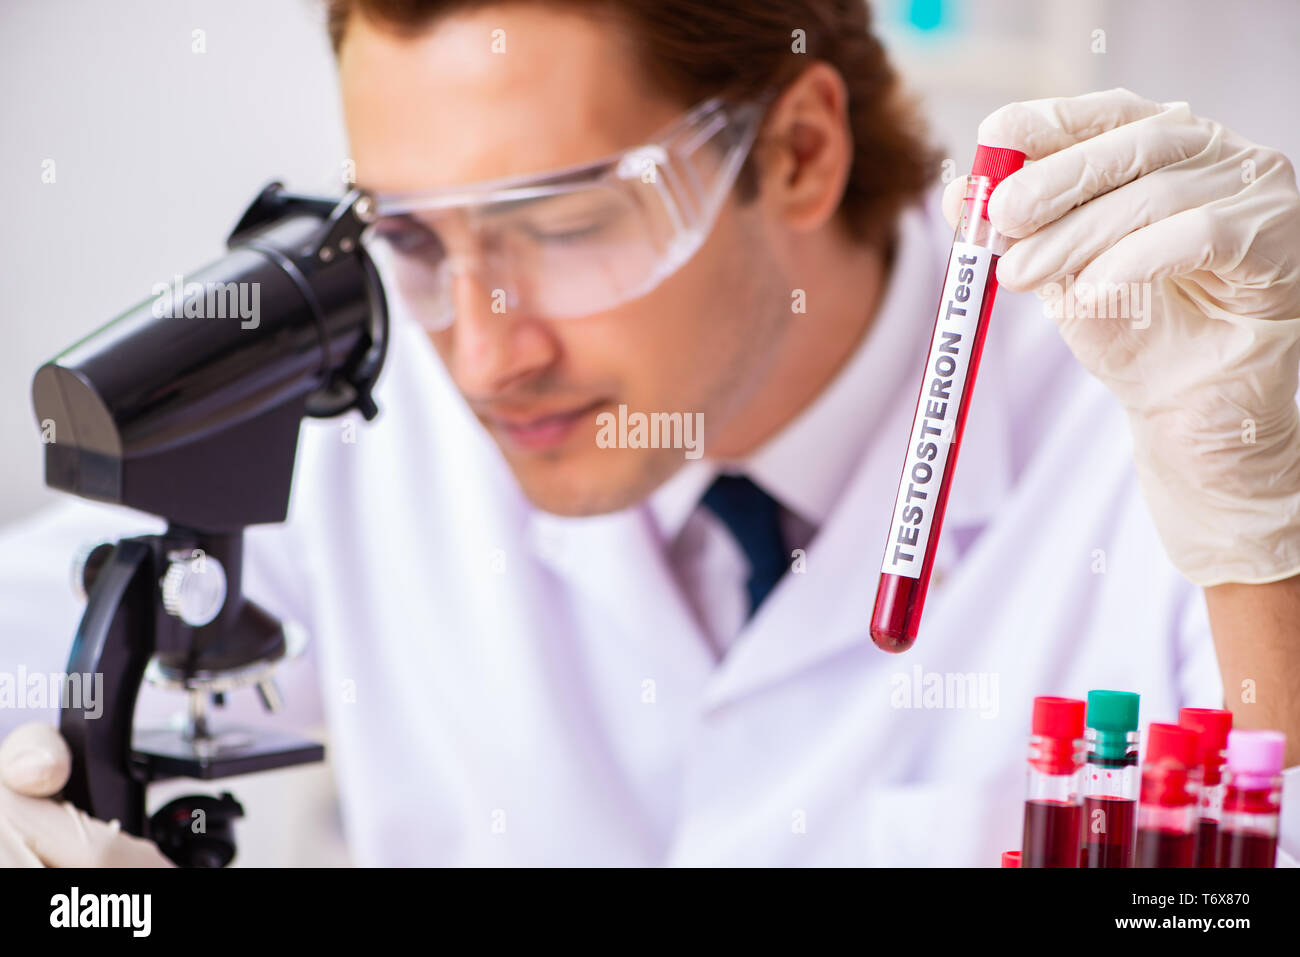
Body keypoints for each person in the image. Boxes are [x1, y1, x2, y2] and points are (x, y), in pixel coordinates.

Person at [1, 0, 1299, 866]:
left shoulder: (1188, 428)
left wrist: (1269, 550)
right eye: (410, 237)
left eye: (562, 230)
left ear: (797, 151)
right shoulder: (370, 438)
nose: (489, 351)